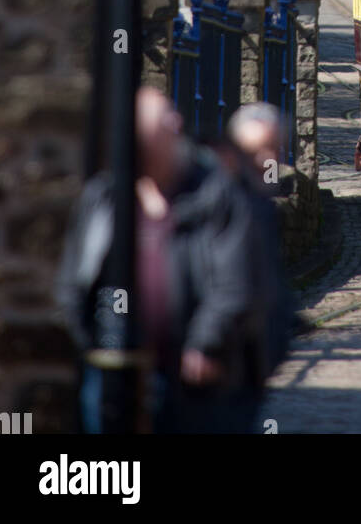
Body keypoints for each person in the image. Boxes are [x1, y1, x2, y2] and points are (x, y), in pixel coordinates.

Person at [57, 87, 264, 434]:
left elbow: (234, 280)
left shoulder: (214, 195)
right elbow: (73, 279)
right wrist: (89, 341)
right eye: (165, 126)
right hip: (112, 366)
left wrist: (205, 343)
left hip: (190, 370)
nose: (178, 124)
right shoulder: (104, 197)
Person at [220, 105, 296, 385]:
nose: (266, 161)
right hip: (218, 356)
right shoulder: (217, 206)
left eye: (273, 150)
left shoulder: (262, 205)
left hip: (255, 361)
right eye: (254, 152)